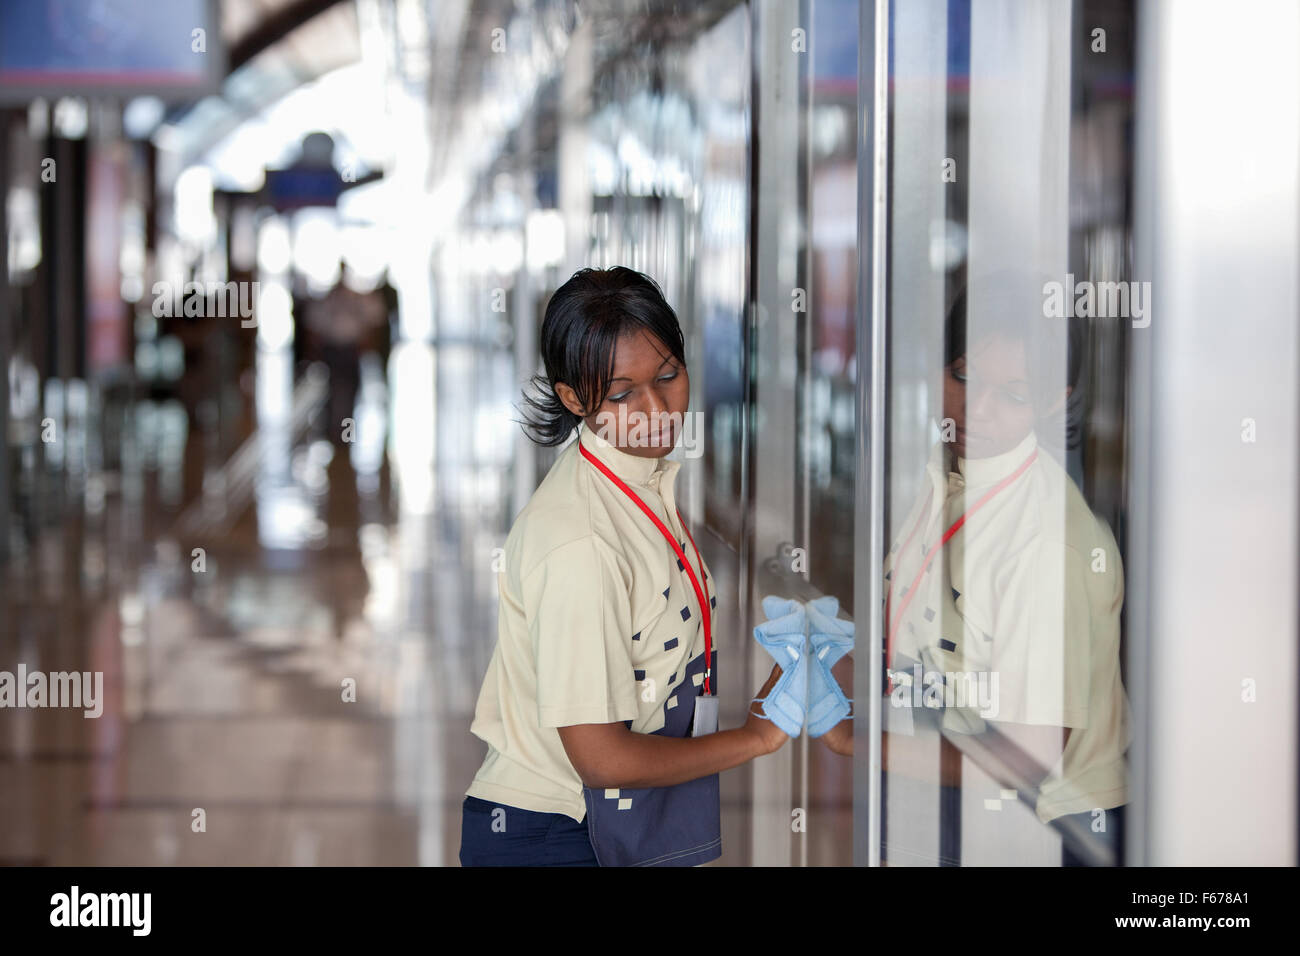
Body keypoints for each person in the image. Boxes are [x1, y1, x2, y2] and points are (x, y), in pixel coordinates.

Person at [459, 266, 787, 866]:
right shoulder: (581, 539)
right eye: (621, 393)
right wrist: (755, 738)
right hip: (556, 833)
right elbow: (603, 758)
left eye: (668, 375)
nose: (656, 409)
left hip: (606, 824)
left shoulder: (644, 481)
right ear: (573, 398)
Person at [819, 274, 1130, 866]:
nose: (975, 409)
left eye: (1012, 394)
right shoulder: (953, 475)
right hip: (954, 779)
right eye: (963, 376)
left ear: (1054, 400)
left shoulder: (1045, 542)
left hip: (1042, 822)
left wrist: (855, 741)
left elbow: (1028, 755)